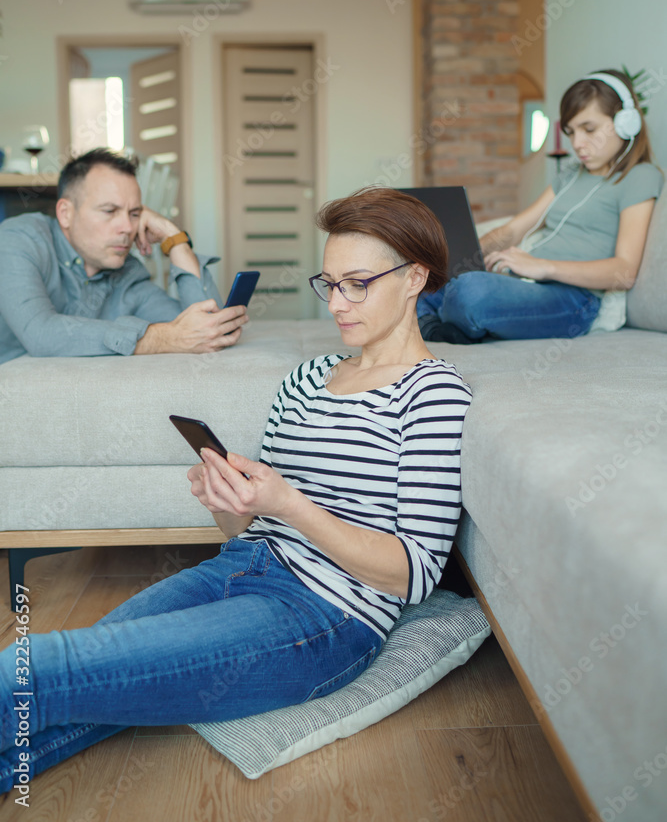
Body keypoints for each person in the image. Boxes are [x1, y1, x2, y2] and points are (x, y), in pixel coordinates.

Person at [0, 186, 472, 791]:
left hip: (319, 615)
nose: (338, 302)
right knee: (77, 683)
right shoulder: (305, 378)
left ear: (414, 278)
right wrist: (229, 500)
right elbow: (248, 529)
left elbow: (413, 576)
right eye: (328, 284)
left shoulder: (433, 393)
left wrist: (289, 504)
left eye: (358, 282)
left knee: (38, 668)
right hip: (238, 566)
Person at [418, 69, 664, 343]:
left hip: (574, 298)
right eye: (571, 132)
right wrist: (455, 258)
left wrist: (543, 267)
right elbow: (514, 230)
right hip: (524, 283)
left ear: (624, 123)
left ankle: (429, 320)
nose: (577, 144)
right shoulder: (571, 175)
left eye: (589, 129)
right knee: (418, 275)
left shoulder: (641, 176)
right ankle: (441, 323)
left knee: (471, 291)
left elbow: (625, 271)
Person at [0, 148, 248, 364]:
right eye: (110, 210)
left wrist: (173, 239)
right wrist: (165, 338)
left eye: (135, 213)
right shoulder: (18, 241)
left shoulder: (127, 273)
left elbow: (211, 328)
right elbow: (41, 334)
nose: (128, 228)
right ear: (65, 213)